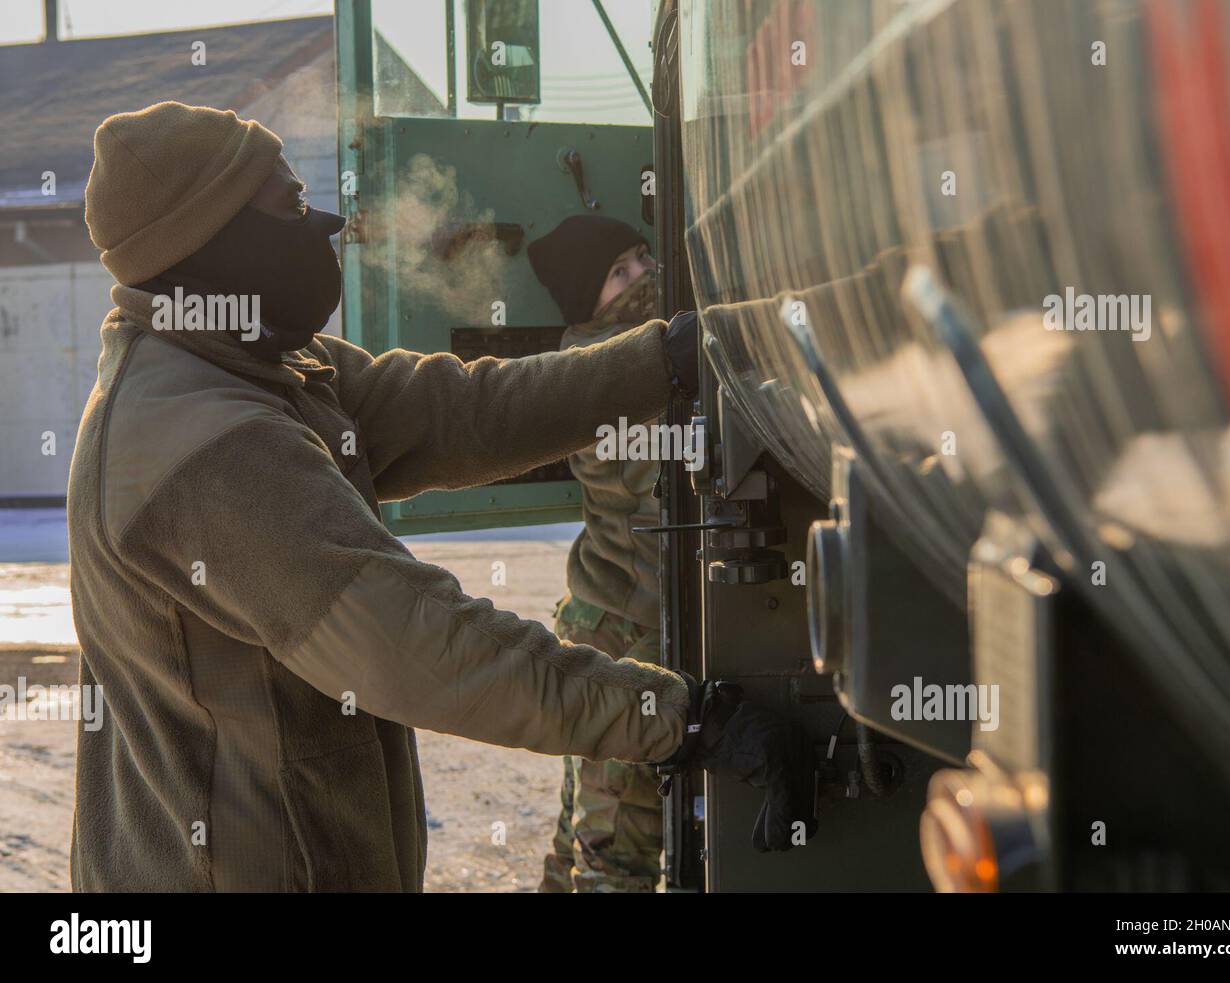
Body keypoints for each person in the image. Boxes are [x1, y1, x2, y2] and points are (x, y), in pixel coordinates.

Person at [68, 101, 816, 891]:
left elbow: (465, 412)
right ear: (212, 240)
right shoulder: (202, 442)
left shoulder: (262, 361)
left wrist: (668, 358)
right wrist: (684, 719)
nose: (319, 220)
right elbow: (420, 641)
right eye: (289, 204)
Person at [528, 216, 667, 893]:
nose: (643, 276)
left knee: (578, 833)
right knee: (617, 850)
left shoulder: (641, 353)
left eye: (642, 258)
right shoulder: (602, 374)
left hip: (608, 621)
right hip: (621, 635)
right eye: (619, 273)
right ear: (590, 301)